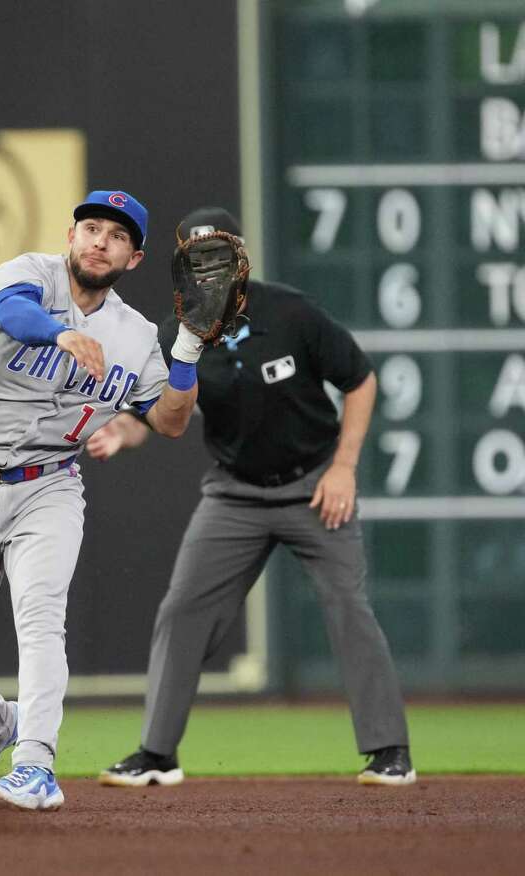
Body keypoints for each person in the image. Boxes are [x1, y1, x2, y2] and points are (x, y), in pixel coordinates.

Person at [94, 207, 415, 788]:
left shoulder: (290, 311)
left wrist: (343, 468)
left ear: (241, 259)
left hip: (313, 484)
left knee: (349, 606)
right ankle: (157, 754)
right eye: (198, 260)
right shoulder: (181, 331)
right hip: (235, 491)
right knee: (182, 609)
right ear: (183, 266)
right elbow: (165, 410)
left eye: (218, 257)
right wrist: (124, 429)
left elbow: (360, 379)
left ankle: (390, 751)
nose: (208, 272)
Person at [0, 190, 204, 810]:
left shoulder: (134, 336)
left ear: (134, 258)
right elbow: (16, 314)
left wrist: (186, 353)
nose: (101, 240)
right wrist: (60, 334)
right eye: (91, 228)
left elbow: (172, 420)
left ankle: (35, 765)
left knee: (41, 615)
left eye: (117, 236)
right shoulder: (25, 275)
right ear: (71, 236)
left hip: (48, 485)